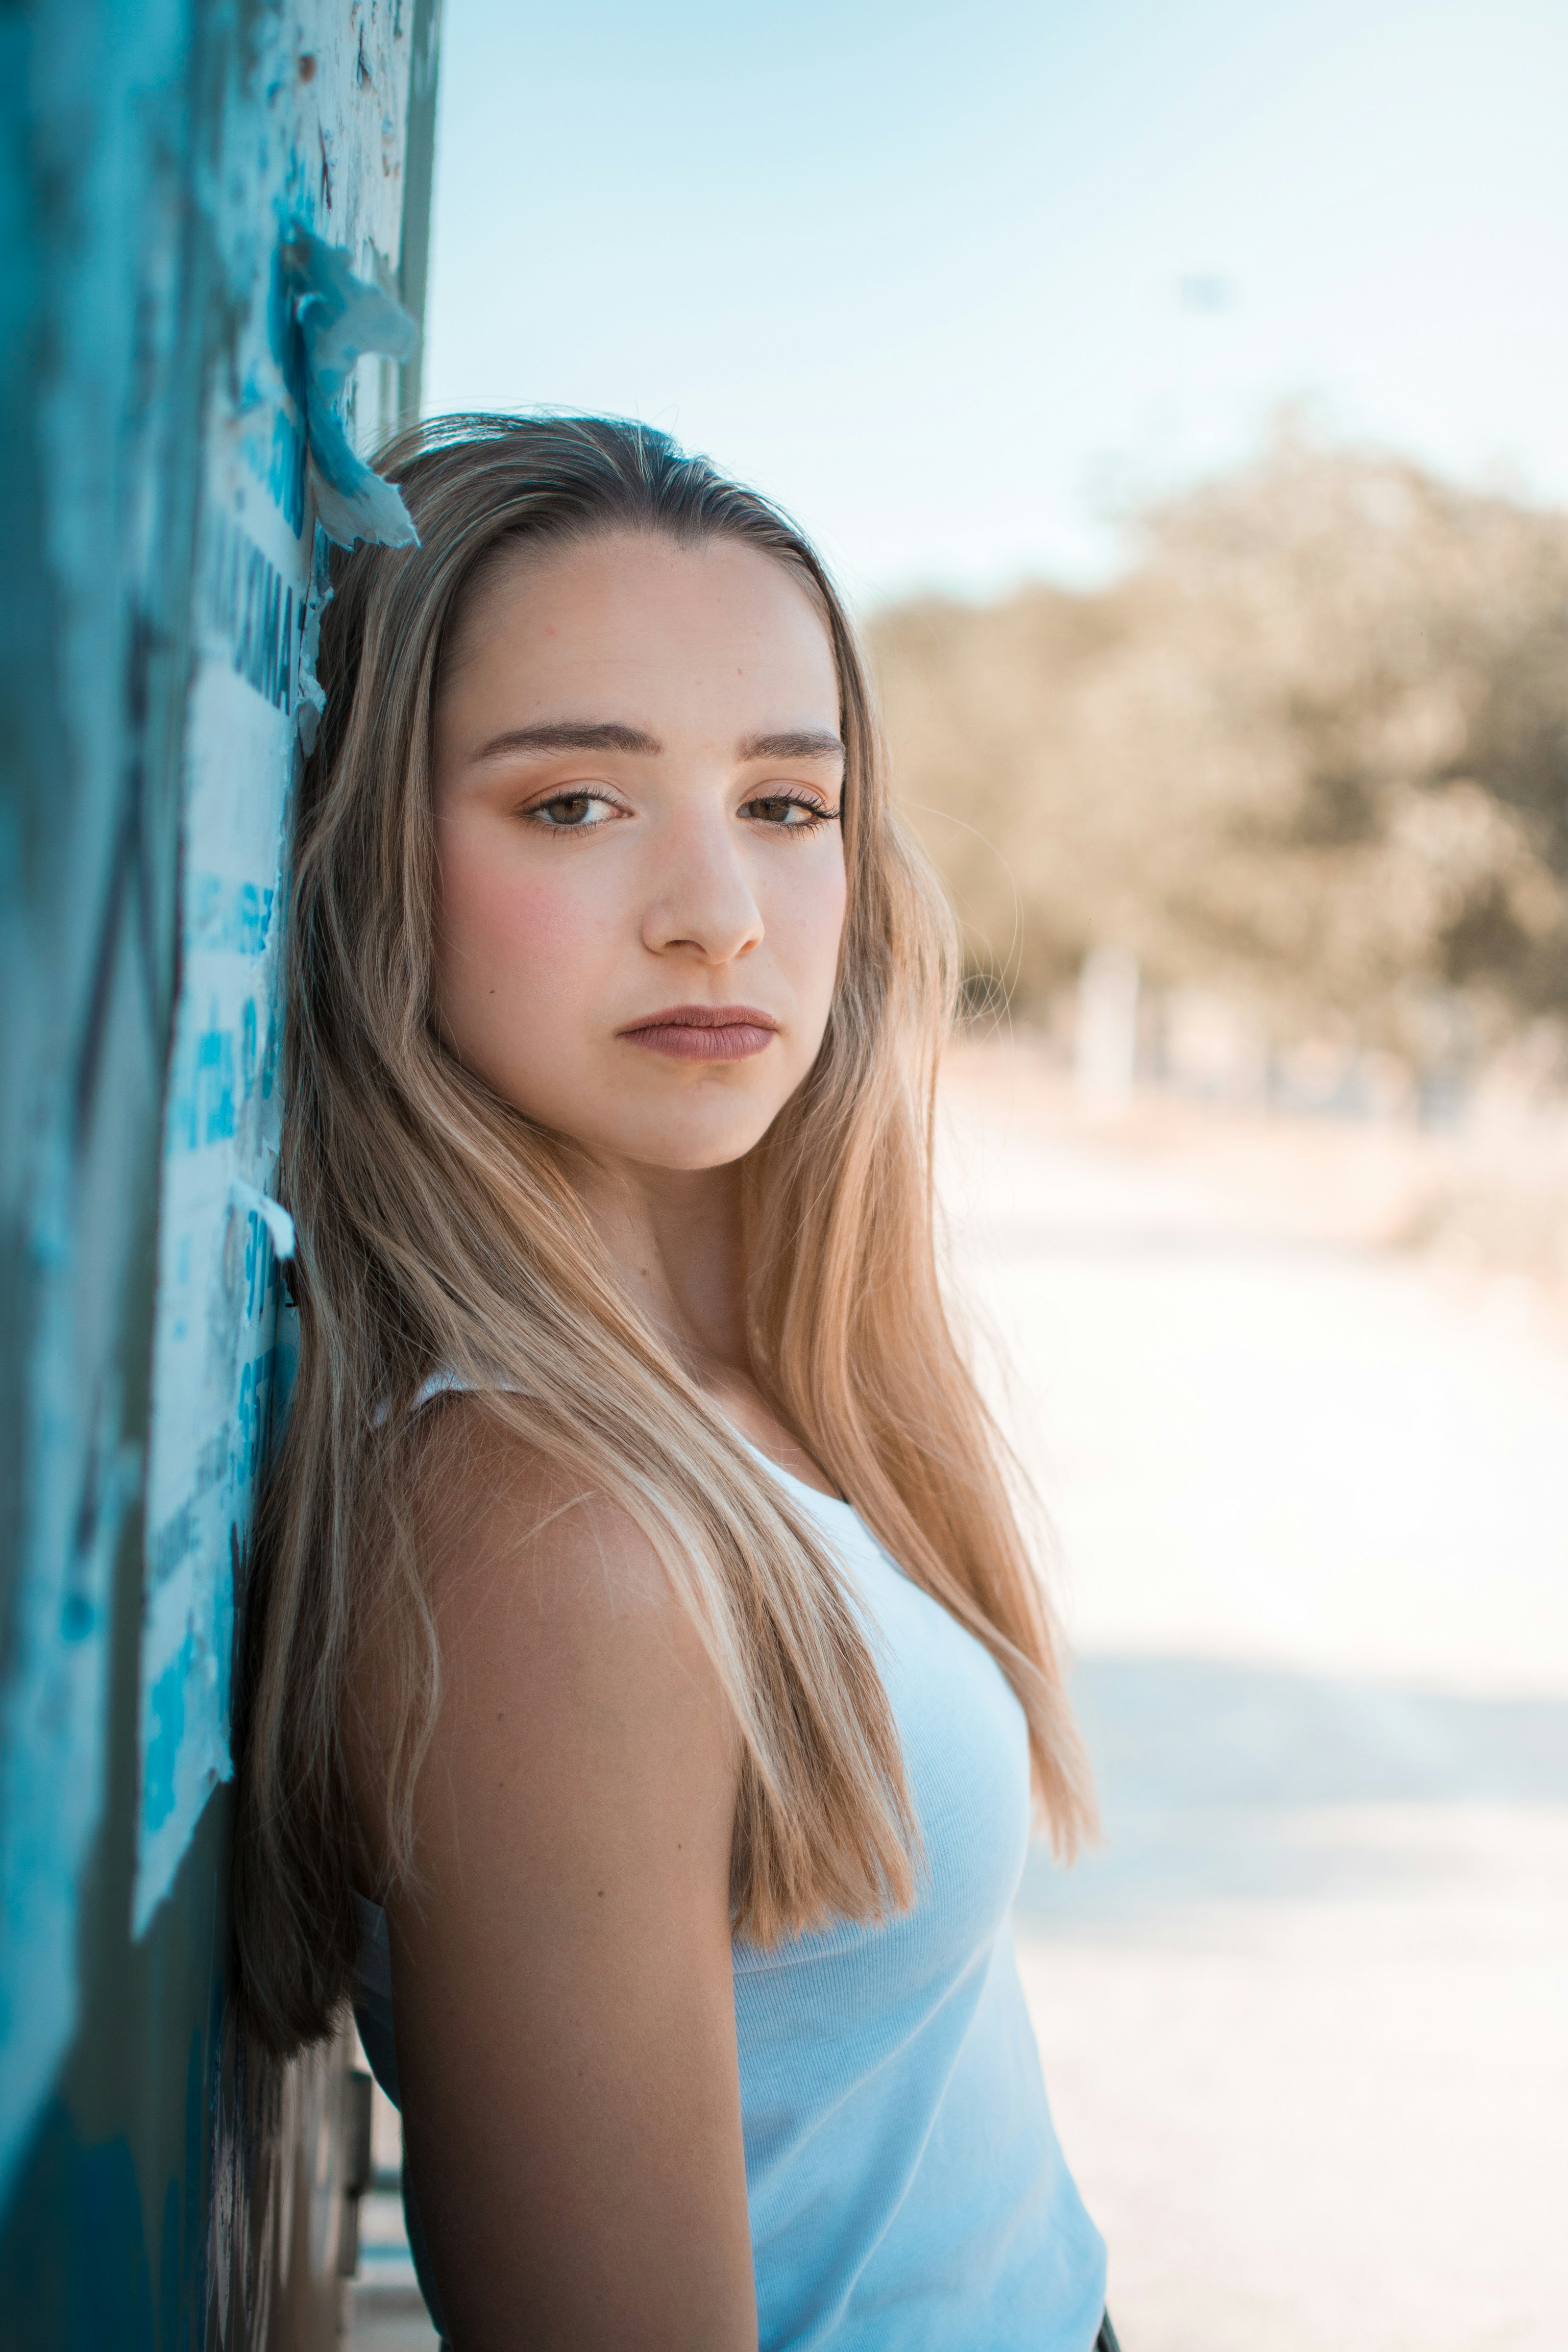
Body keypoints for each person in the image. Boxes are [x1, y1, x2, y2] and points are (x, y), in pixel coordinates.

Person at [234, 413, 1118, 2352]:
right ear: (372, 845)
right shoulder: (549, 1536)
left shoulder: (749, 1384)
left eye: (787, 805)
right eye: (574, 804)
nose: (718, 908)